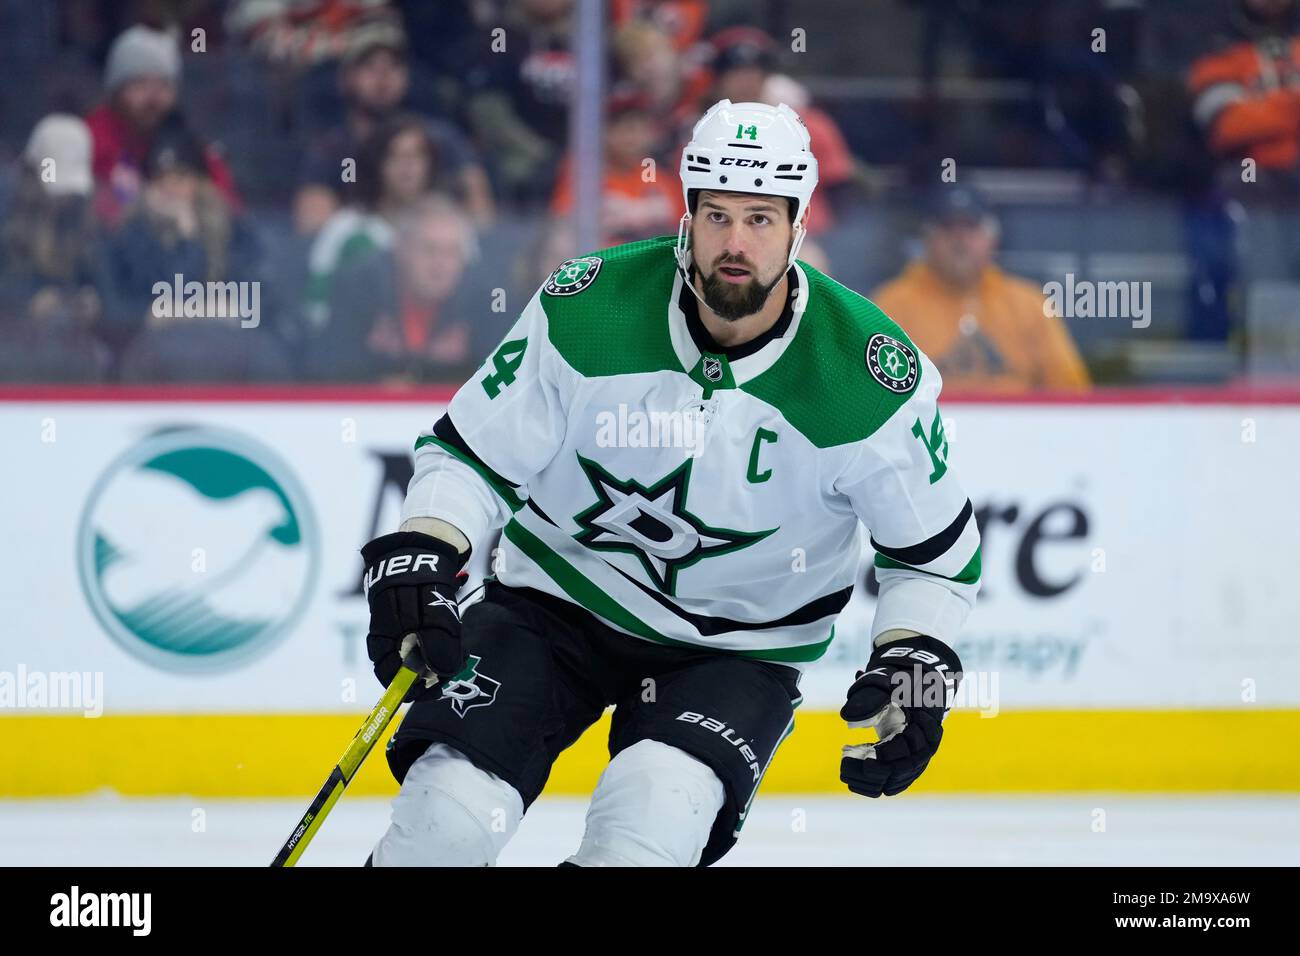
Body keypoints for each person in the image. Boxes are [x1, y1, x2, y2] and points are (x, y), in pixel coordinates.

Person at [358, 99, 981, 867]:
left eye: (760, 219)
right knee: (443, 824)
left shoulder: (868, 377)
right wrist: (425, 544)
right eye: (716, 215)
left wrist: (916, 664)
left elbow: (934, 557)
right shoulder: (589, 305)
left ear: (798, 226)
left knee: (648, 827)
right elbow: (471, 456)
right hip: (551, 606)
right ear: (685, 214)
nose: (734, 243)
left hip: (734, 651)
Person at [870, 188, 1091, 393]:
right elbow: (871, 395)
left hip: (1016, 432)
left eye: (970, 227)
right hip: (925, 432)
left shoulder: (1029, 304)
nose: (959, 239)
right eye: (948, 227)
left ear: (992, 238)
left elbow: (1071, 393)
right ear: (928, 238)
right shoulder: (890, 306)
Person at [85, 24, 241, 228]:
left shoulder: (187, 142)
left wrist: (200, 197)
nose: (153, 98)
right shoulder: (89, 140)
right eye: (139, 84)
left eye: (163, 86)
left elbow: (232, 208)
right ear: (115, 91)